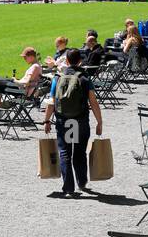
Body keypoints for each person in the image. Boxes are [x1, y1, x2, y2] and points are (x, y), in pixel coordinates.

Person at [42, 50, 104, 198]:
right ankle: (81, 181)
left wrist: (46, 120)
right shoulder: (84, 78)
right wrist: (99, 122)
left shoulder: (58, 78)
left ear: (67, 62)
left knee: (65, 153)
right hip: (80, 120)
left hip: (64, 120)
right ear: (80, 61)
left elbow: (52, 102)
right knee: (80, 152)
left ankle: (68, 186)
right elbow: (93, 103)